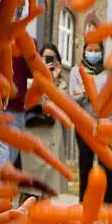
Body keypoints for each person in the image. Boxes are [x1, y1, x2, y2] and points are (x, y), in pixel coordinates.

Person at [69, 42, 112, 203]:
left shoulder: (108, 73)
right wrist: (84, 92)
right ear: (84, 51)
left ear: (102, 52)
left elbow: (111, 97)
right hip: (84, 124)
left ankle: (107, 205)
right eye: (90, 50)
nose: (93, 53)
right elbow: (73, 98)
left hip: (104, 125)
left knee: (106, 166)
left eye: (97, 50)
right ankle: (84, 204)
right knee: (85, 165)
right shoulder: (76, 71)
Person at [22, 44, 67, 195]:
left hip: (52, 134)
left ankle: (45, 214)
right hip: (34, 131)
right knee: (31, 186)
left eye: (51, 58)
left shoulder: (62, 84)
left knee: (49, 185)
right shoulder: (31, 81)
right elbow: (31, 103)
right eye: (44, 58)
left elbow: (62, 106)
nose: (47, 61)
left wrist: (53, 78)